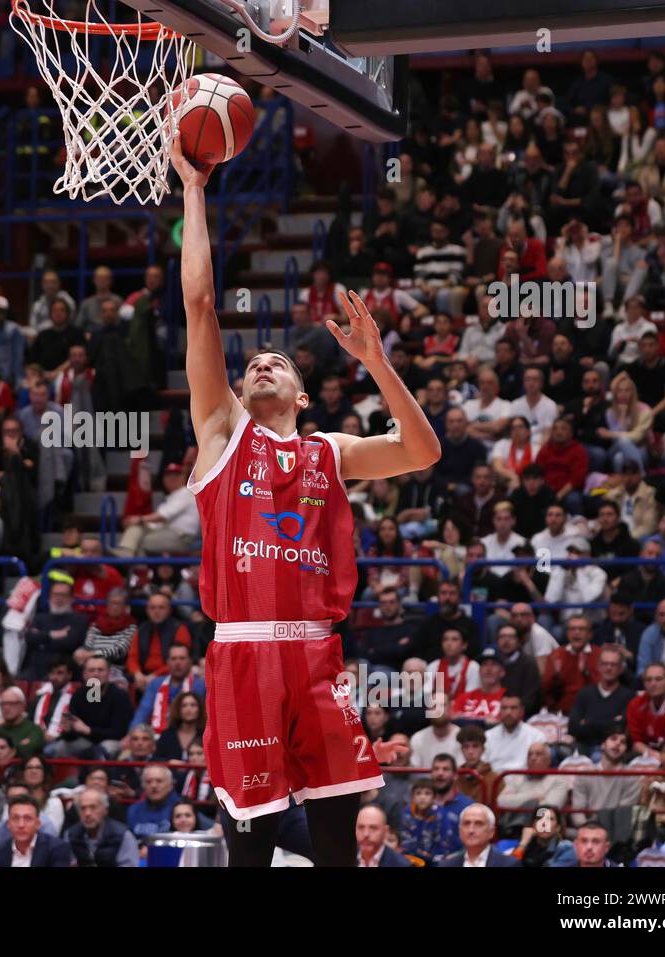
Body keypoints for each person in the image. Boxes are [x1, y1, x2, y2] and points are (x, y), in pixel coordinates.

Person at [175, 133, 440, 865]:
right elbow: (200, 304)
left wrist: (378, 363)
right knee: (252, 845)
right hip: (245, 653)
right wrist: (195, 190)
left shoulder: (331, 450)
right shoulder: (223, 431)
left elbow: (422, 451)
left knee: (334, 842)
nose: (261, 362)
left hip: (318, 654)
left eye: (278, 362)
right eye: (254, 360)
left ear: (300, 393)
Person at [0, 794, 75, 867]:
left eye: (27, 818)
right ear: (8, 824)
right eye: (15, 818)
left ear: (38, 824)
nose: (21, 825)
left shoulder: (56, 849)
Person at [65, 786, 139, 867]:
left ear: (105, 810)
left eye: (93, 807)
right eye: (83, 808)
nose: (87, 813)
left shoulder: (123, 835)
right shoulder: (70, 835)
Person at [435, 803, 520, 867]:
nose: (471, 830)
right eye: (466, 823)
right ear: (460, 831)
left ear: (492, 831)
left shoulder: (509, 864)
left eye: (479, 824)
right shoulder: (446, 865)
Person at [484, 695, 548, 772]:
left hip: (526, 781)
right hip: (494, 781)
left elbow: (540, 767)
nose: (508, 712)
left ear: (522, 711)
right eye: (504, 708)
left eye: (513, 708)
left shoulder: (537, 736)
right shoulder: (487, 736)